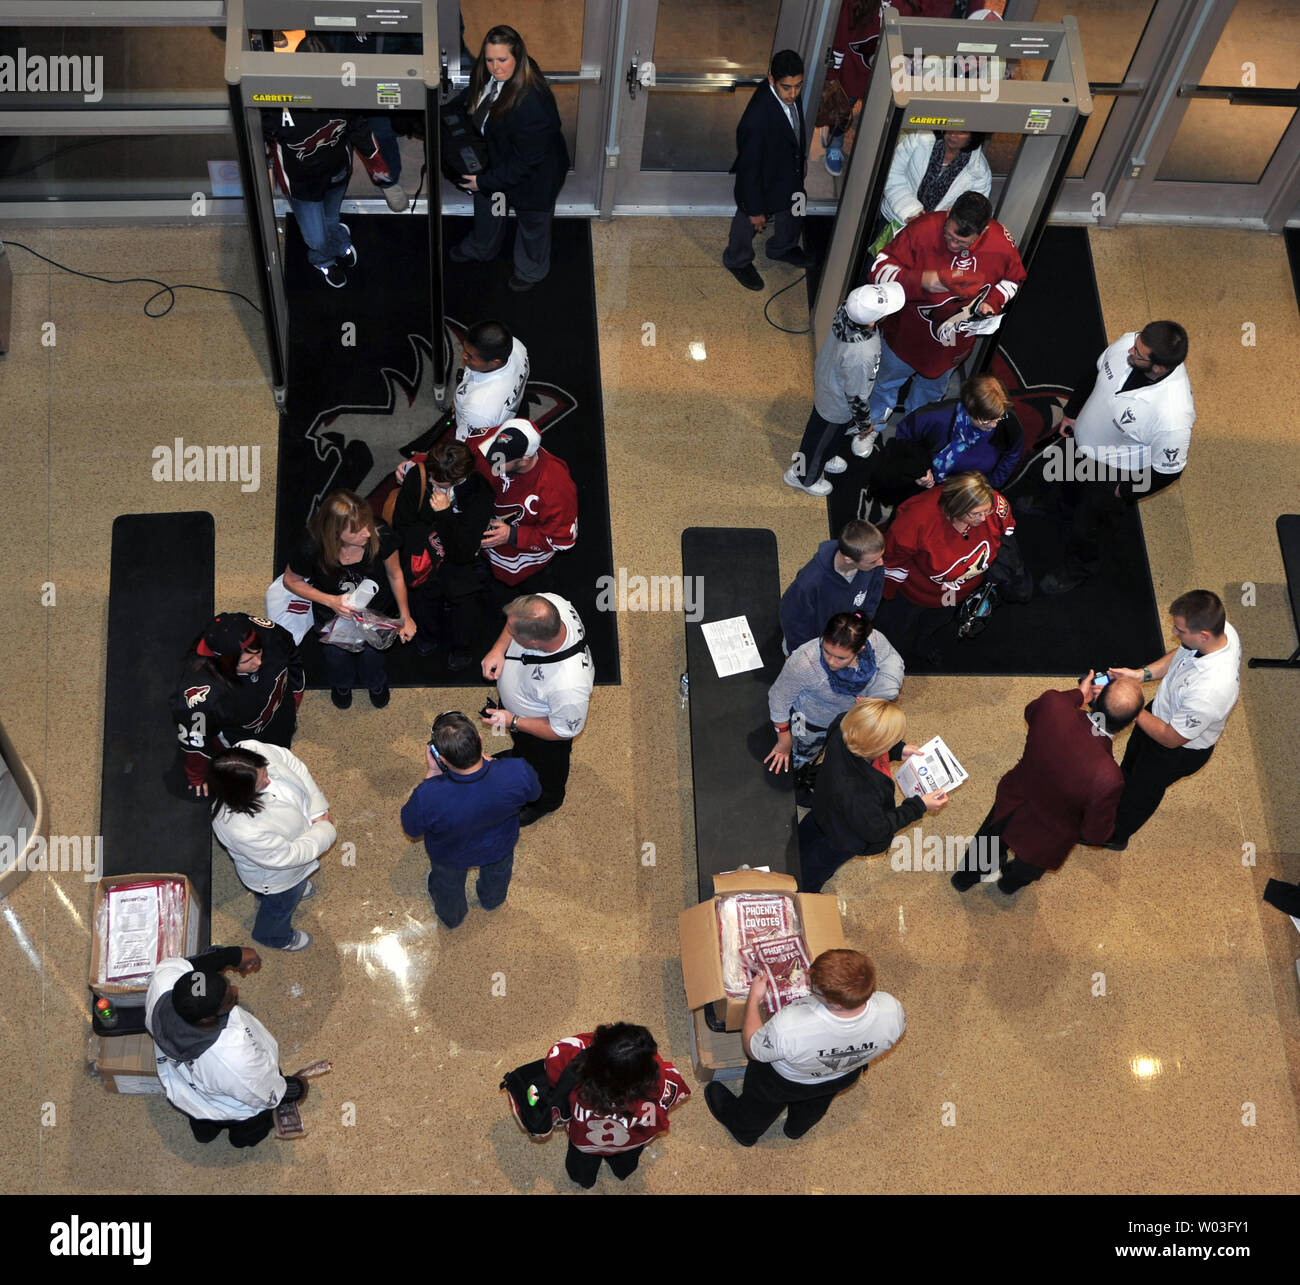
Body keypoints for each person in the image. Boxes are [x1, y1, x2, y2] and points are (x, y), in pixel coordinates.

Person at [951, 670, 1144, 896]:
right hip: (1048, 838)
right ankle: (1007, 885)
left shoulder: (1054, 705)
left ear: (1098, 696)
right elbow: (1094, 835)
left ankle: (964, 879)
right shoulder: (1109, 778)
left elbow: (1030, 711)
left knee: (987, 843)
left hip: (1013, 801)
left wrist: (1078, 696)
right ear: (1130, 723)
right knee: (1025, 871)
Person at [1037, 322, 1194, 595]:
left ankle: (1079, 567)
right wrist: (1072, 412)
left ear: (1158, 368)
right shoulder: (1128, 344)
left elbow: (1169, 471)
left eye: (1139, 352)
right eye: (1136, 342)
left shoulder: (1173, 415)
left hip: (1115, 471)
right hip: (1082, 438)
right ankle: (1059, 506)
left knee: (1089, 527)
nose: (1130, 349)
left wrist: (1125, 491)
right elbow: (1094, 373)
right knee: (1066, 482)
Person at [703, 949, 904, 1145]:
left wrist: (754, 999)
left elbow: (753, 1048)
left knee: (760, 1105)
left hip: (783, 1080)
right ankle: (796, 1128)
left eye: (812, 986)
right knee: (816, 1104)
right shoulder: (892, 1011)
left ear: (837, 1004)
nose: (806, 979)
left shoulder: (790, 1027)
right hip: (842, 1075)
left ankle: (744, 1131)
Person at [868, 192, 1027, 424]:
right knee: (885, 384)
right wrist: (919, 280)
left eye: (961, 242)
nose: (952, 245)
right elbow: (879, 269)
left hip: (952, 344)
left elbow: (1013, 280)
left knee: (930, 393)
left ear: (982, 233)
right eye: (948, 235)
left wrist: (992, 301)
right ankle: (873, 426)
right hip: (904, 333)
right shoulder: (923, 228)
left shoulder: (1001, 243)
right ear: (949, 212)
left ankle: (916, 431)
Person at [1102, 590, 1241, 850]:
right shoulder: (1221, 632)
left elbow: (1170, 738)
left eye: (1179, 630)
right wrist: (1138, 676)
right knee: (1130, 768)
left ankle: (1115, 835)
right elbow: (1180, 655)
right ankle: (1116, 796)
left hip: (1174, 749)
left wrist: (1129, 706)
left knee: (1142, 791)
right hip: (1160, 714)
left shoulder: (1212, 690)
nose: (1174, 634)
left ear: (1204, 635)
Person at [144, 944, 307, 1149]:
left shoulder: (163, 982)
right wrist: (298, 1087)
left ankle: (204, 1133)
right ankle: (240, 1140)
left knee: (203, 1121)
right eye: (230, 997)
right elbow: (266, 1094)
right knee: (248, 1130)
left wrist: (233, 955)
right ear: (206, 1019)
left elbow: (192, 968)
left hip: (189, 1092)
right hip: (231, 1109)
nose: (236, 990)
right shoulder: (233, 1058)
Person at [449, 24, 570, 291]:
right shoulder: (486, 71)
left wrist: (484, 181)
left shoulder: (532, 103)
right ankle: (482, 247)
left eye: (502, 60)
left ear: (518, 57)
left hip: (535, 176)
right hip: (498, 159)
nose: (495, 67)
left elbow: (525, 163)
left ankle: (531, 270)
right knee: (488, 208)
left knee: (532, 224)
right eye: (490, 59)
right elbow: (475, 98)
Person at [262, 35, 389, 287]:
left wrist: (377, 163)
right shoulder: (279, 102)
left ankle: (338, 241)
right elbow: (263, 137)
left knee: (331, 219)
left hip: (337, 173)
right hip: (302, 183)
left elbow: (359, 128)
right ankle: (322, 258)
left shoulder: (344, 93)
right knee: (316, 238)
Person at [399, 712, 540, 929]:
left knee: (447, 888)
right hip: (500, 846)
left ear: (442, 759)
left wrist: (431, 774)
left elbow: (411, 828)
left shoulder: (428, 796)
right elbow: (535, 794)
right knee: (498, 875)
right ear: (480, 740)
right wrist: (493, 763)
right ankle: (492, 900)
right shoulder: (517, 771)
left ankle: (453, 918)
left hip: (450, 856)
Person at [283, 490, 417, 709]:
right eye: (356, 531)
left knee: (374, 656)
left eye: (367, 523)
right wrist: (330, 601)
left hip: (378, 614)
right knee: (336, 657)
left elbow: (395, 574)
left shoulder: (380, 535)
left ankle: (376, 683)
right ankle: (341, 684)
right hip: (332, 618)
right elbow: (291, 581)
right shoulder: (312, 547)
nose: (367, 533)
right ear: (335, 532)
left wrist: (405, 616)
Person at [796, 698, 946, 893]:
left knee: (802, 840)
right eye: (892, 741)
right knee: (815, 870)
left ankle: (792, 856)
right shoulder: (862, 792)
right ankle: (804, 890)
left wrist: (897, 750)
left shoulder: (841, 728)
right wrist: (918, 806)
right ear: (879, 746)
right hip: (842, 838)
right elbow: (877, 829)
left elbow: (862, 735)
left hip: (822, 808)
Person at [876, 470, 1014, 666]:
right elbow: (893, 558)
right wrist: (888, 592)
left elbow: (1007, 529)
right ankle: (888, 657)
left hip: (953, 593)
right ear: (955, 507)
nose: (984, 519)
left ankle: (922, 643)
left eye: (987, 511)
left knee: (937, 620)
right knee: (898, 628)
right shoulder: (918, 520)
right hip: (914, 594)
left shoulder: (994, 505)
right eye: (975, 514)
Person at [209, 741, 335, 951]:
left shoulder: (250, 749)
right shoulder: (242, 828)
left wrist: (316, 808)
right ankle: (274, 936)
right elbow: (289, 856)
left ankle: (296, 887)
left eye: (265, 771)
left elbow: (289, 761)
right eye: (260, 782)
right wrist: (325, 830)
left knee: (296, 886)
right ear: (240, 793)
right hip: (278, 878)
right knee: (282, 904)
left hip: (294, 858)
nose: (268, 780)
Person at [481, 592, 593, 824]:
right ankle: (522, 757)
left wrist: (513, 722)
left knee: (548, 769)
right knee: (526, 751)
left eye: (513, 634)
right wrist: (498, 649)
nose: (508, 632)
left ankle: (545, 801)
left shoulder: (569, 687)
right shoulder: (550, 604)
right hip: (520, 719)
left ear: (532, 643)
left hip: (542, 734)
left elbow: (563, 731)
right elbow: (513, 623)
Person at [784, 282, 905, 496]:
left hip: (829, 381)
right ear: (873, 320)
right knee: (817, 439)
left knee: (825, 436)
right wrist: (865, 423)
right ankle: (802, 476)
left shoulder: (847, 310)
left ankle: (825, 455)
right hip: (837, 402)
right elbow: (856, 394)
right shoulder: (862, 354)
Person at [170, 612, 304, 798]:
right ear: (224, 662)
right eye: (247, 660)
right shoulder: (200, 696)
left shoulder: (269, 633)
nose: (259, 661)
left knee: (281, 747)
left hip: (281, 717)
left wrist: (295, 698)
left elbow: (293, 658)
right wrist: (197, 775)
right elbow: (195, 739)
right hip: (242, 741)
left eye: (258, 652)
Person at [544, 1024, 690, 1189]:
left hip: (585, 1140)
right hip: (630, 1140)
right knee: (626, 1162)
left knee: (581, 1167)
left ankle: (584, 1180)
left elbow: (555, 1060)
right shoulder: (659, 1085)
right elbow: (674, 1092)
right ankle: (622, 1171)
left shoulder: (571, 1066)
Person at [390, 438, 495, 669]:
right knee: (423, 597)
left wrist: (445, 514)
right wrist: (423, 547)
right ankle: (428, 636)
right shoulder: (419, 477)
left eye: (439, 481)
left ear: (458, 479)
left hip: (459, 559)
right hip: (424, 554)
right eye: (430, 476)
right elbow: (402, 524)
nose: (431, 482)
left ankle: (460, 648)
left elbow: (463, 552)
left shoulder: (479, 492)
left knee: (465, 605)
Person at [863, 374, 1021, 520]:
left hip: (964, 491)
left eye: (997, 418)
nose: (994, 425)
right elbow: (904, 436)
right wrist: (918, 470)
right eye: (986, 420)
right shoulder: (934, 416)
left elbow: (1012, 453)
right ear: (970, 409)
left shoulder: (1006, 420)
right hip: (925, 485)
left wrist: (990, 485)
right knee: (909, 519)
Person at [765, 612, 904, 777]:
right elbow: (779, 698)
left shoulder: (875, 641)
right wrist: (784, 739)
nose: (831, 661)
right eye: (826, 652)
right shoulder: (804, 663)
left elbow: (892, 660)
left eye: (841, 658)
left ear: (860, 649)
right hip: (808, 720)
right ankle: (799, 768)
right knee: (802, 750)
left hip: (849, 718)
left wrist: (877, 699)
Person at [723, 49, 811, 292]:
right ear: (771, 79)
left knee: (797, 208)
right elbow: (748, 169)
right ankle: (736, 260)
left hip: (789, 173)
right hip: (764, 181)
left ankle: (783, 247)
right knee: (747, 221)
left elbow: (795, 128)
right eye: (787, 87)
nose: (793, 93)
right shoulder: (756, 119)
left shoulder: (789, 91)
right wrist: (754, 209)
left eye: (798, 86)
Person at [474, 419, 578, 591]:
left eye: (500, 460)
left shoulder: (557, 487)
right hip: (482, 552)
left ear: (524, 460)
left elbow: (563, 541)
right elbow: (459, 453)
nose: (492, 462)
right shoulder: (492, 438)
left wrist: (513, 536)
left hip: (522, 566)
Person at [779, 519, 886, 653]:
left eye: (881, 556)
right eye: (873, 561)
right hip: (813, 641)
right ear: (849, 559)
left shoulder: (873, 567)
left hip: (845, 638)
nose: (880, 563)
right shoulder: (809, 582)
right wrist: (802, 651)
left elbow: (873, 597)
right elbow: (792, 618)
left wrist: (860, 628)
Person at [879, 129, 991, 236]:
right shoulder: (919, 139)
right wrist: (910, 210)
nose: (953, 135)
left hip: (935, 233)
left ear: (973, 137)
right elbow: (892, 174)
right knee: (879, 255)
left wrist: (932, 224)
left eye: (962, 132)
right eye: (952, 127)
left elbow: (970, 212)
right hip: (896, 217)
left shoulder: (979, 171)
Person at [451, 320, 530, 442]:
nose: (463, 356)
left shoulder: (478, 412)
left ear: (494, 362)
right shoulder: (516, 345)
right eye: (465, 350)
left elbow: (464, 449)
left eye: (470, 356)